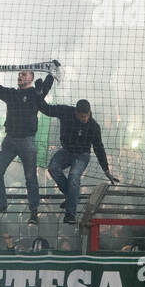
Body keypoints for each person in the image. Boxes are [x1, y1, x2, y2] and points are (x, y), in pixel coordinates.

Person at [0, 69, 54, 225]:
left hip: (27, 141)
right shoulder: (11, 94)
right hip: (9, 140)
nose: (20, 76)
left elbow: (47, 86)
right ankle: (1, 204)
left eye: (24, 74)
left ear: (31, 78)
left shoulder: (35, 94)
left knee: (30, 178)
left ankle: (34, 212)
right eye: (19, 74)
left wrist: (51, 73)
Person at [38, 94, 119, 224]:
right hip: (66, 151)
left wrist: (106, 169)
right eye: (82, 116)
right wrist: (38, 95)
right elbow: (47, 109)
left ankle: (70, 214)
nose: (84, 119)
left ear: (89, 112)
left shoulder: (93, 126)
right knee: (53, 168)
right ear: (76, 112)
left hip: (82, 154)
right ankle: (72, 197)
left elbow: (99, 148)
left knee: (74, 176)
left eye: (86, 116)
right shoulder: (65, 112)